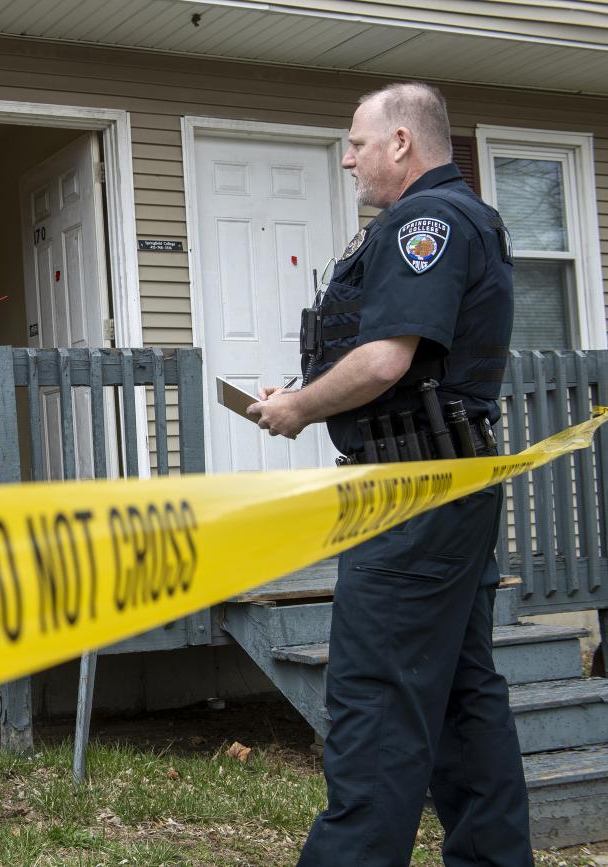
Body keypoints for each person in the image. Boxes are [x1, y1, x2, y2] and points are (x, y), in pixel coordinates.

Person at [249, 82, 533, 867]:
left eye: (357, 142)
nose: (347, 158)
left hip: (412, 496)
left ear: (402, 142)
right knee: (462, 701)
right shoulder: (468, 215)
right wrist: (303, 393)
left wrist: (299, 408)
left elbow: (384, 358)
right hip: (453, 487)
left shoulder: (426, 221)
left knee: (376, 702)